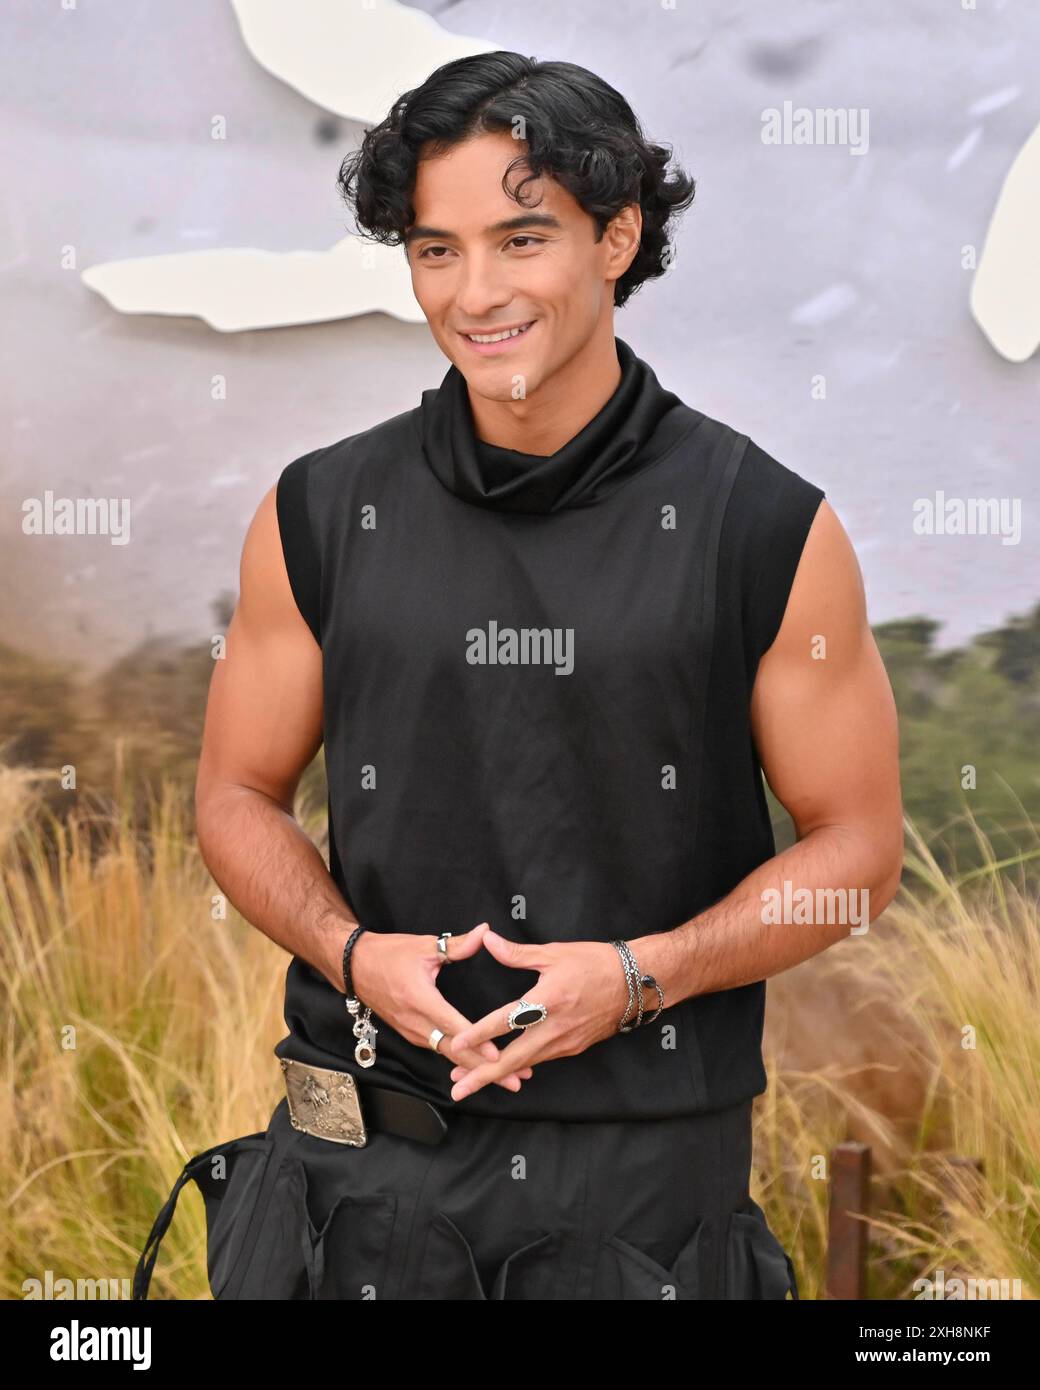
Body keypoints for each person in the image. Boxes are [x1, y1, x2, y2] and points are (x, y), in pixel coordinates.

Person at [133, 51, 903, 1301]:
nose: (473, 291)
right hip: (354, 1171)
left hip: (643, 1194)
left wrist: (638, 976)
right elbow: (234, 796)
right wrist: (348, 950)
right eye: (436, 249)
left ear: (616, 237)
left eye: (521, 237)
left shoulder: (765, 528)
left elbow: (858, 852)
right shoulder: (320, 511)